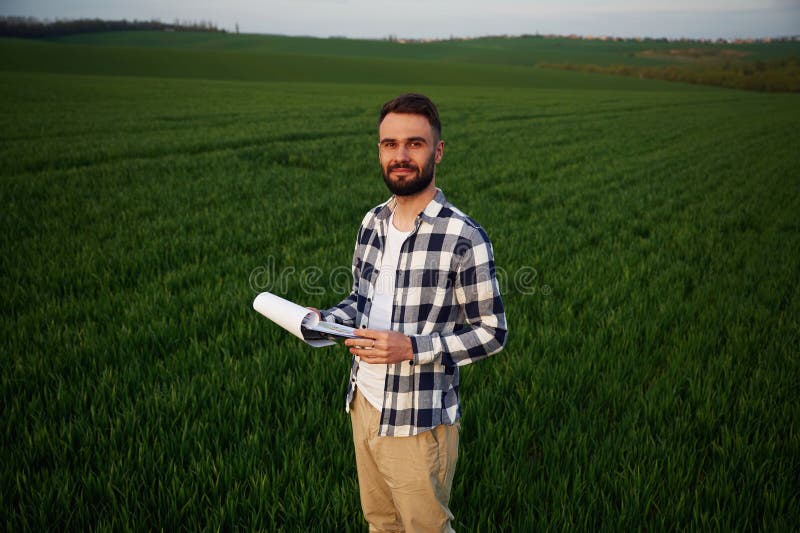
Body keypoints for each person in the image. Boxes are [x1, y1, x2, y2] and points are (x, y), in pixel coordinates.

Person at [316, 93, 507, 532]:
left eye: (414, 144)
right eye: (389, 144)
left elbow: (493, 332)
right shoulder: (373, 222)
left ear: (437, 151)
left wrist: (412, 348)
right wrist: (324, 320)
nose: (400, 156)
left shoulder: (464, 236)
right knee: (380, 523)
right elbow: (360, 301)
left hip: (418, 419)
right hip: (363, 402)